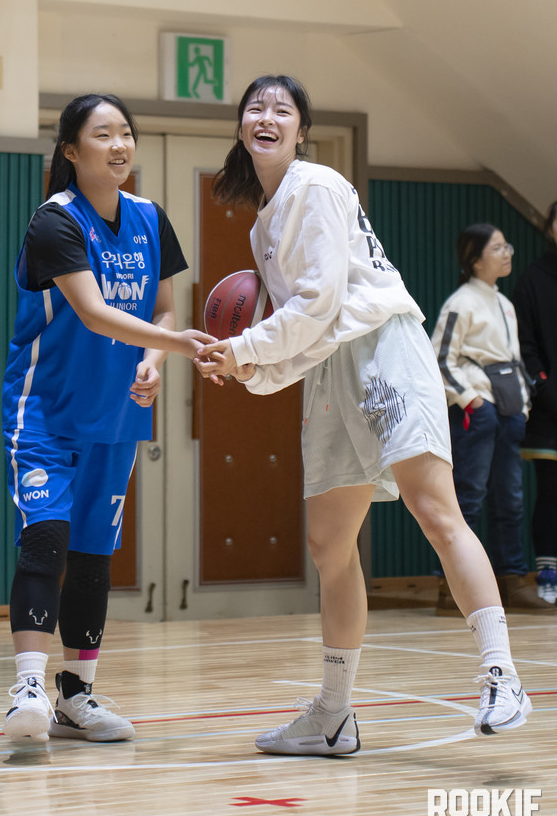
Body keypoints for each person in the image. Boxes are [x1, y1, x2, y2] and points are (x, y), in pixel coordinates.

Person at [195, 74, 532, 755]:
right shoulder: (265, 221)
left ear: (300, 130)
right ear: (241, 127)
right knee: (328, 544)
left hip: (382, 350)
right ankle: (334, 716)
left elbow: (317, 307)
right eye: (255, 107)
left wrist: (244, 349)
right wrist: (250, 369)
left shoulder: (316, 186)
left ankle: (501, 672)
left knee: (436, 510)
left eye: (282, 109)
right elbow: (305, 335)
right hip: (328, 370)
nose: (267, 116)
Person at [2, 93, 215, 742]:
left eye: (126, 133)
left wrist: (155, 357)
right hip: (45, 413)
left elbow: (165, 310)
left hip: (117, 417)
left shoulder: (152, 218)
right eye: (103, 135)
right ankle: (29, 688)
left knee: (95, 555)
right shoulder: (55, 222)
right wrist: (178, 346)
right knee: (47, 540)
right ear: (71, 151)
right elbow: (93, 311)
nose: (119, 145)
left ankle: (77, 696)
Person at [430, 224, 554, 616]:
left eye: (507, 246)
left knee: (510, 500)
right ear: (475, 259)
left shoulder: (505, 303)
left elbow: (516, 360)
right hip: (479, 414)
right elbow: (440, 361)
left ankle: (512, 582)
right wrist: (472, 402)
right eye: (498, 248)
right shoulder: (459, 303)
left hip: (509, 412)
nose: (507, 254)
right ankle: (450, 589)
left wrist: (521, 408)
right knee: (467, 496)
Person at [512, 201, 557, 605]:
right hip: (549, 412)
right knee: (551, 493)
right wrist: (544, 386)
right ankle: (548, 573)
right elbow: (524, 345)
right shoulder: (532, 279)